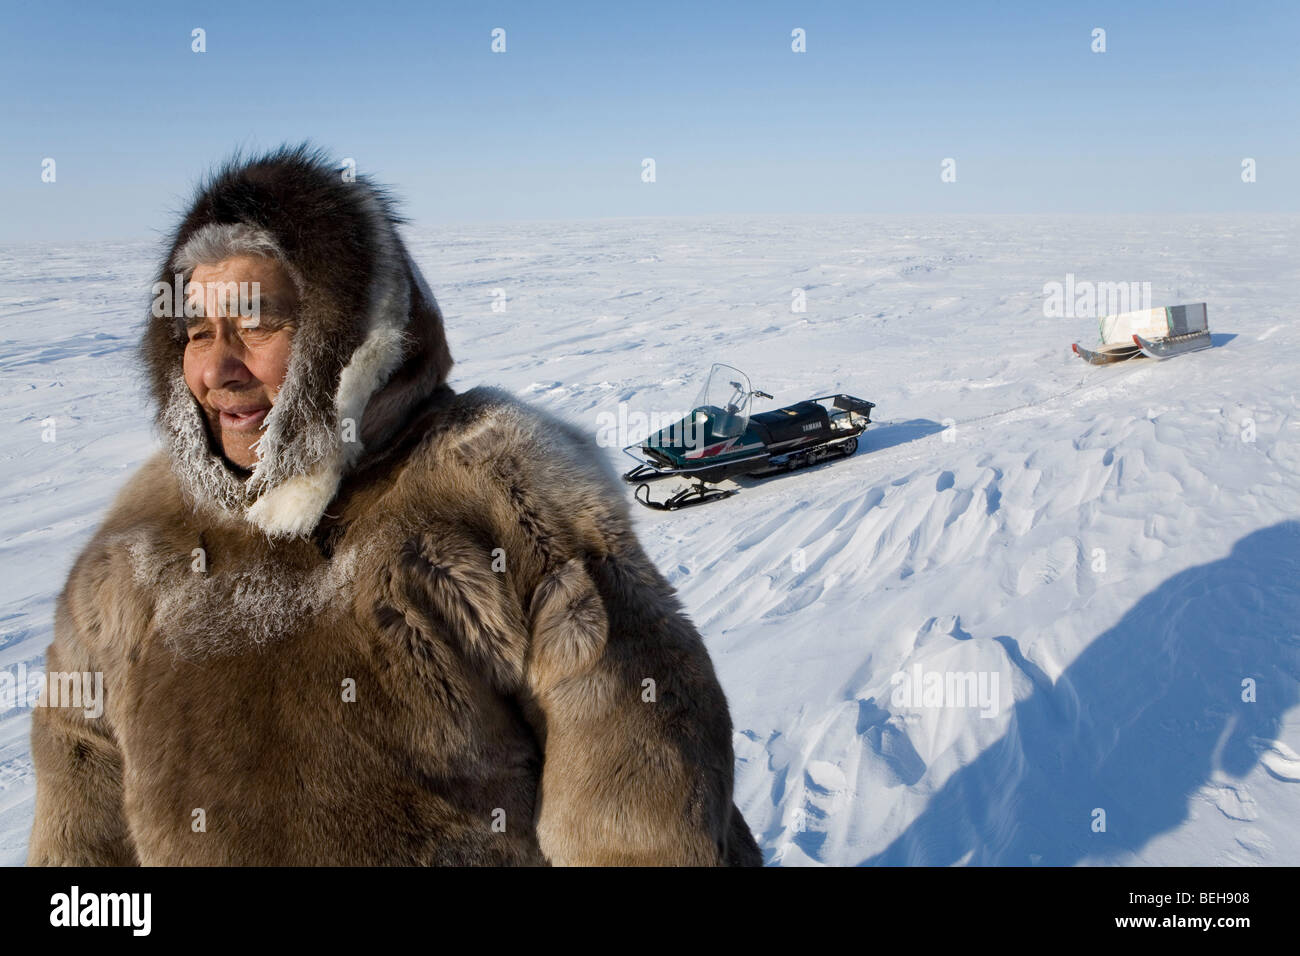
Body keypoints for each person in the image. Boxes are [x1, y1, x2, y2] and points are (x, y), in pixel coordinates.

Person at [26, 144, 762, 866]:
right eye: (195, 334)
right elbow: (79, 778)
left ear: (349, 337)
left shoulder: (497, 488)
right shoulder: (142, 541)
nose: (216, 368)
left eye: (256, 326)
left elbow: (640, 798)